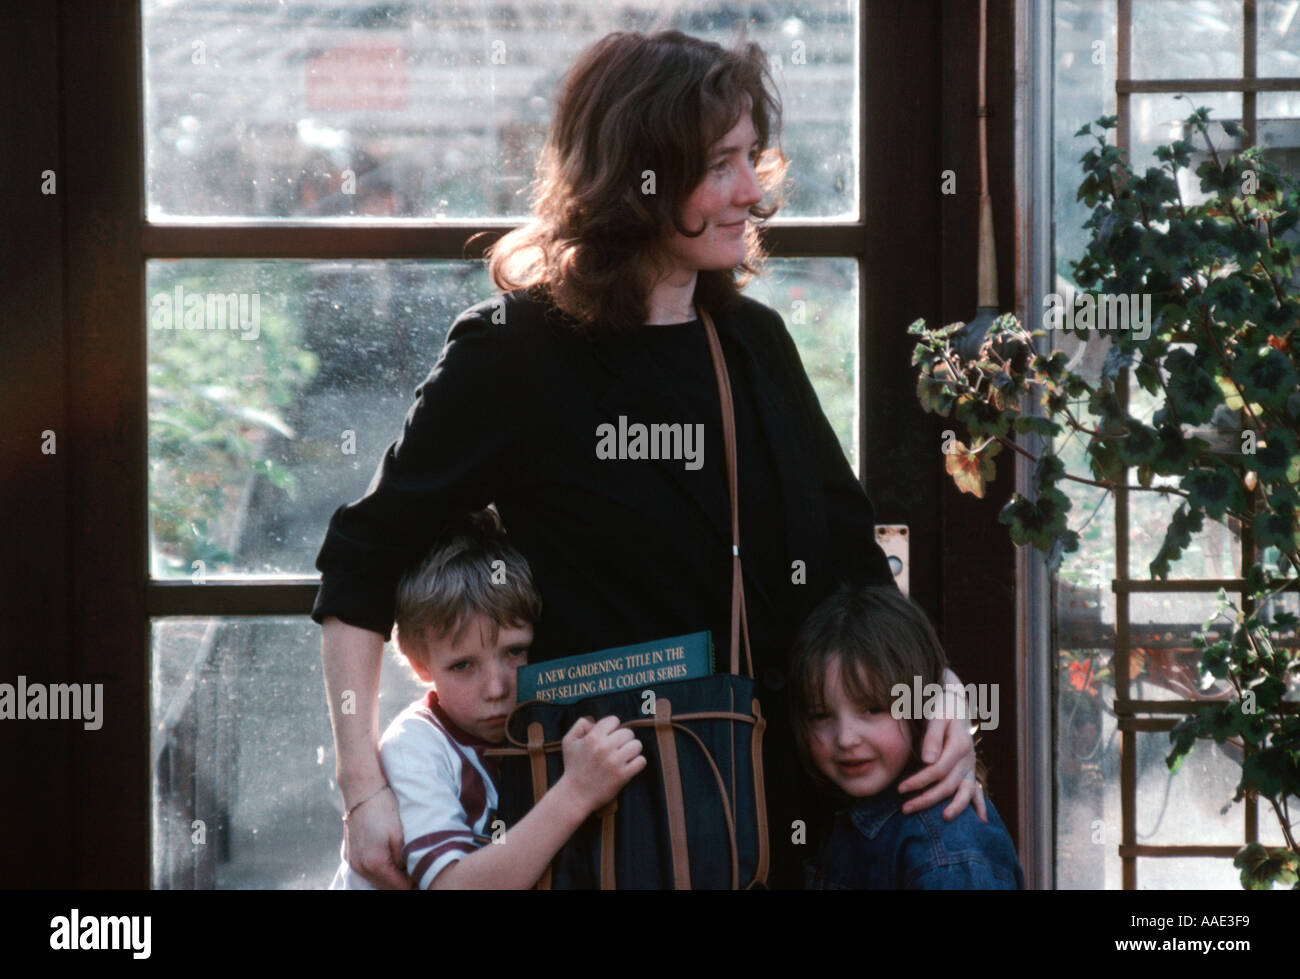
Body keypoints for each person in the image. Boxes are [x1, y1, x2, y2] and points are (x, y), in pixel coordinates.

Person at [313, 29, 983, 890]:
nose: (755, 192)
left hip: (762, 828)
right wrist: (363, 786)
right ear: (637, 179)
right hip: (594, 832)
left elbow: (853, 571)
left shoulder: (753, 344)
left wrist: (941, 698)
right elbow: (361, 562)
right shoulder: (514, 354)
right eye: (720, 165)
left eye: (753, 158)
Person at [330, 509, 644, 889]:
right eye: (463, 665)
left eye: (514, 652)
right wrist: (577, 793)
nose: (496, 688)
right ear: (419, 665)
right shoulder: (415, 747)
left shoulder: (526, 726)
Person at [790, 585, 1024, 889]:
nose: (845, 738)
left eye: (873, 709)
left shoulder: (947, 848)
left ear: (925, 704)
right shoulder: (851, 813)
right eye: (821, 715)